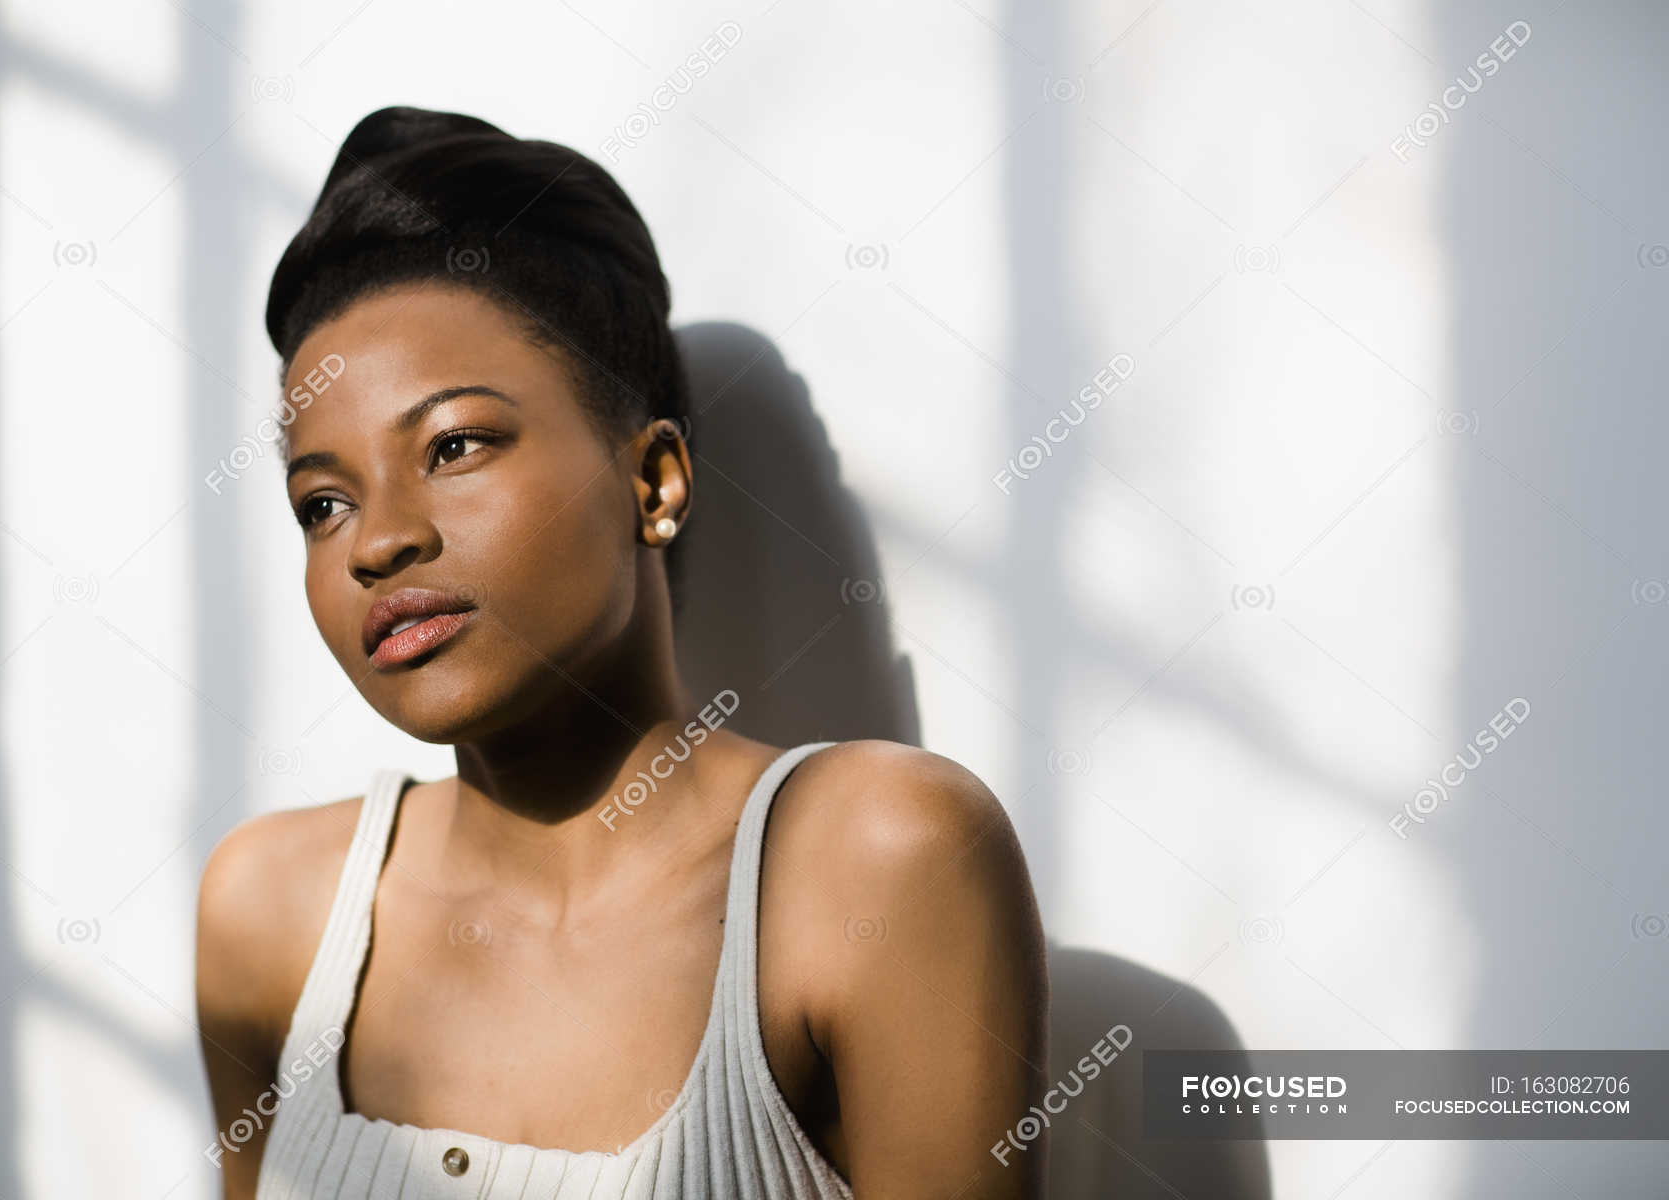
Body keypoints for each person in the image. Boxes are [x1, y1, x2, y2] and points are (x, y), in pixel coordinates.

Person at [194, 105, 1048, 1200]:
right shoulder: (268, 909)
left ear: (654, 483)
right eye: (321, 501)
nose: (380, 539)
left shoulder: (877, 860)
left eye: (453, 444)